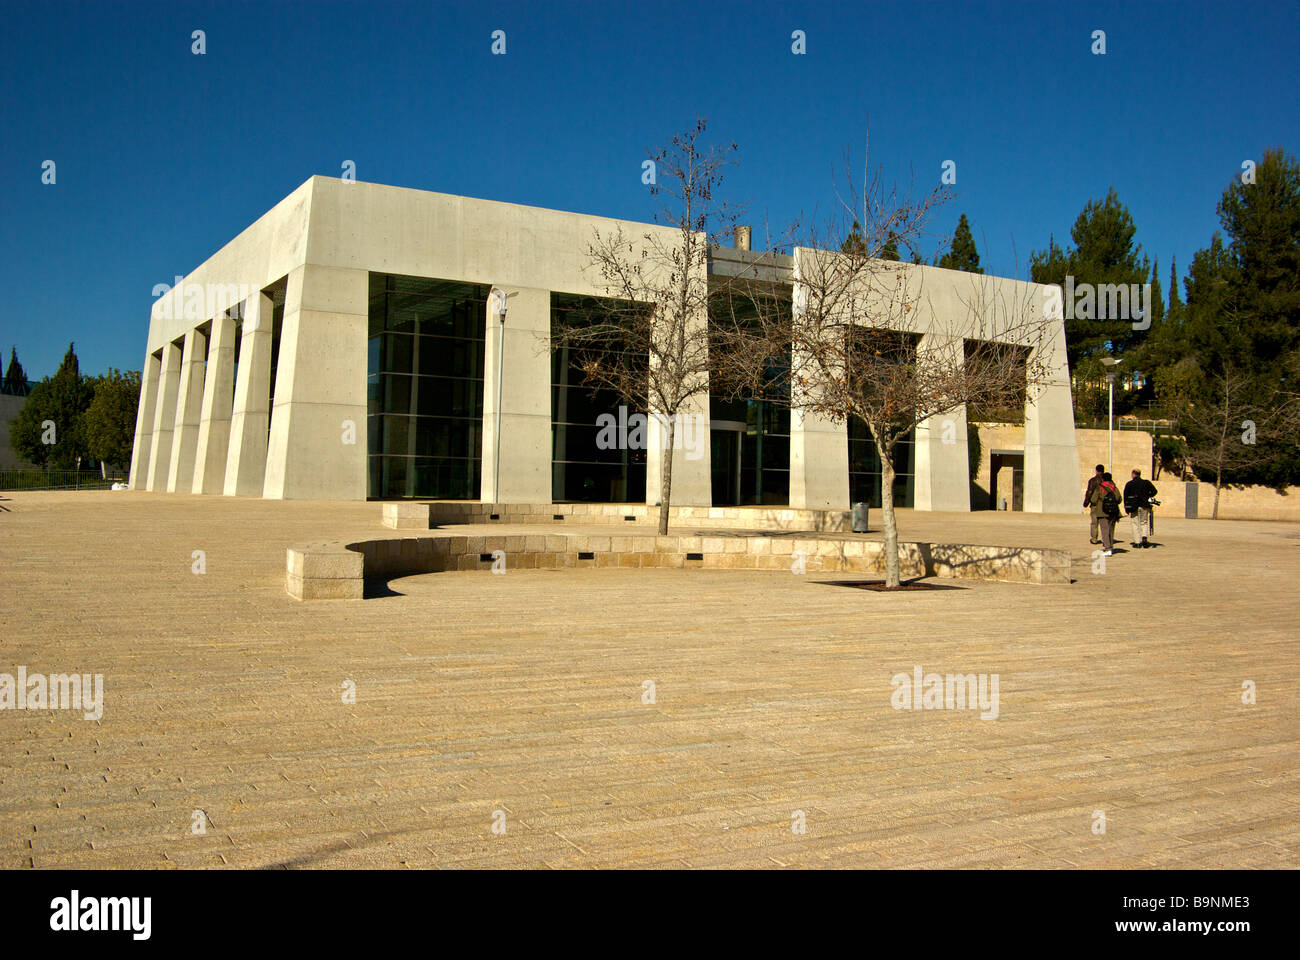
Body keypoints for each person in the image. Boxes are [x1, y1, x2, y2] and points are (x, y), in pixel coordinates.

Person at [1123, 469, 1159, 548]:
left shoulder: (1129, 484)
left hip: (1134, 506)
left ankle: (1137, 542)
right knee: (1144, 522)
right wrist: (1147, 495)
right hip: (1144, 505)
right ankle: (1144, 537)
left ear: (1133, 474)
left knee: (1135, 523)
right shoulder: (1146, 483)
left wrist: (1126, 507)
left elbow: (1125, 496)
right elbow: (1154, 491)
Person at [1091, 471, 1122, 555]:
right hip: (1113, 512)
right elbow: (1119, 499)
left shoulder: (1100, 487)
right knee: (1111, 530)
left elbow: (1093, 499)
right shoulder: (1114, 487)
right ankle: (1110, 546)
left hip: (1102, 511)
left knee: (1104, 529)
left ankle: (1107, 548)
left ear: (1103, 479)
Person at [1083, 464, 1105, 543]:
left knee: (1094, 522)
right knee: (1104, 522)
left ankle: (1094, 538)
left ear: (1096, 471)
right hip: (1104, 504)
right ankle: (1105, 538)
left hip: (1095, 504)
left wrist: (1086, 502)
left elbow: (1090, 492)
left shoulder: (1093, 480)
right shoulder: (1107, 480)